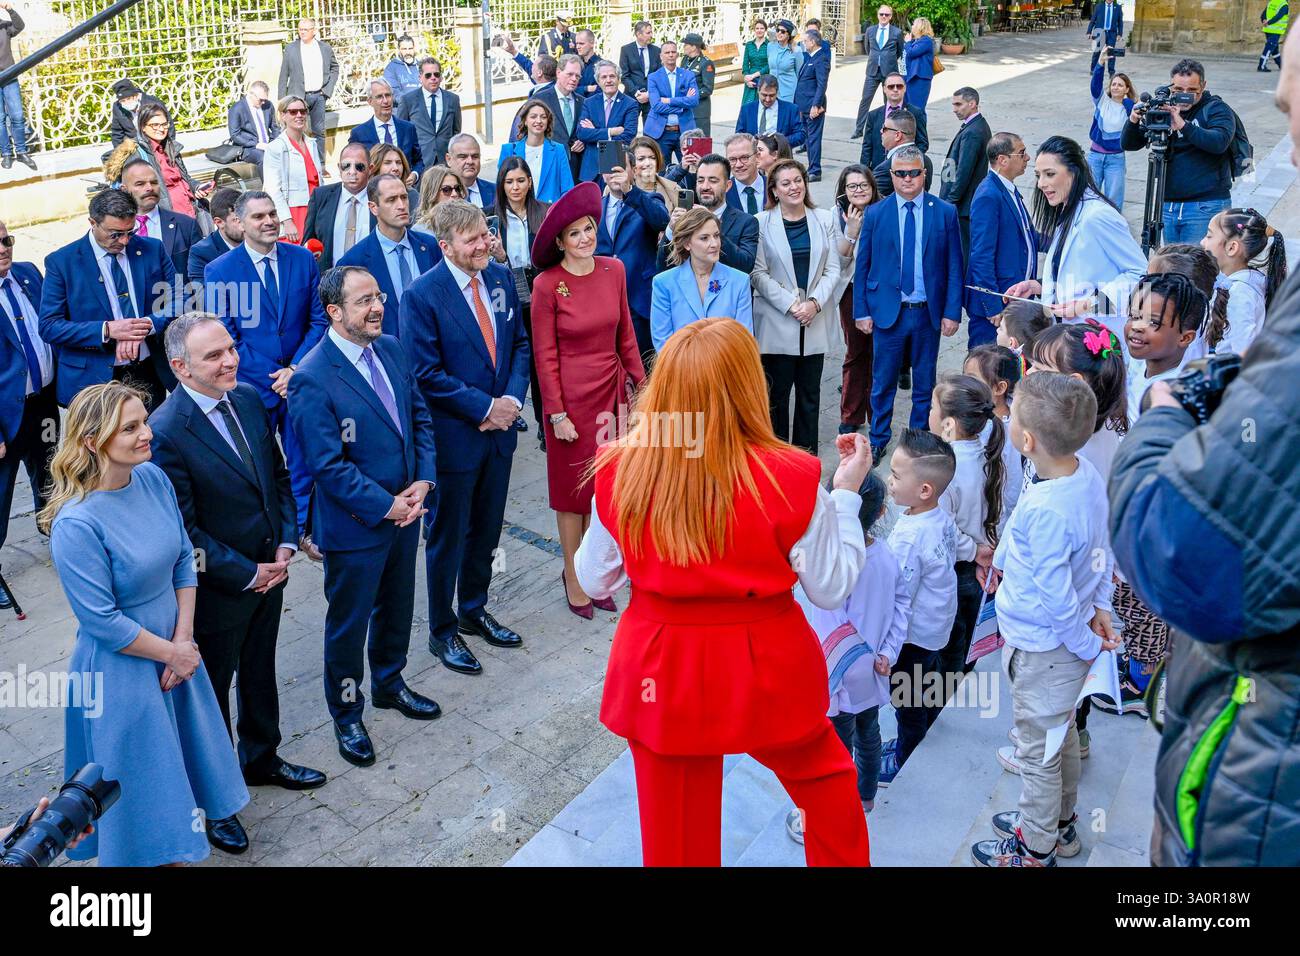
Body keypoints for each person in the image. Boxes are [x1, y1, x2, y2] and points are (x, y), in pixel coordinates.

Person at [575, 317, 875, 867]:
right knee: (829, 790)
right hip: (766, 663)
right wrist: (846, 496)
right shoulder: (792, 474)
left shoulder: (620, 470)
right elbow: (831, 588)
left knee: (676, 838)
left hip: (661, 669)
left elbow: (595, 580)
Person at [1107, 27, 1300, 866]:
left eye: (1296, 112)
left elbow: (1182, 548)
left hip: (1257, 794)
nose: (1288, 138)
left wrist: (1162, 413)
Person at [42, 381, 249, 865]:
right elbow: (102, 622)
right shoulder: (76, 525)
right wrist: (170, 652)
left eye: (144, 421)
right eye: (130, 427)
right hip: (125, 670)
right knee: (143, 787)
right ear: (93, 441)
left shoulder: (153, 478)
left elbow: (183, 557)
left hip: (175, 650)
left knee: (181, 770)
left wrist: (184, 638)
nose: (146, 434)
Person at [149, 313, 327, 843]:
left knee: (259, 672)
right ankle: (215, 798)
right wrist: (246, 572)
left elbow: (277, 475)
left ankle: (261, 758)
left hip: (271, 572)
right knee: (213, 696)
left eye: (231, 348)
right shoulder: (165, 432)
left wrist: (287, 541)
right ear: (179, 367)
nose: (231, 360)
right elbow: (184, 532)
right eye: (214, 355)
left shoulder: (247, 398)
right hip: (218, 591)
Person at [288, 266, 441, 765]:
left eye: (378, 296)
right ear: (334, 312)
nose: (377, 307)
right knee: (348, 625)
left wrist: (424, 480)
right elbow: (327, 467)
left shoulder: (392, 349)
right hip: (356, 528)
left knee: (397, 606)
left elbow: (418, 417)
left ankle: (390, 683)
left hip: (406, 510)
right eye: (363, 301)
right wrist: (386, 505)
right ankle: (348, 715)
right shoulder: (312, 376)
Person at [971, 372, 1119, 867]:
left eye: (1012, 414)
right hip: (1065, 642)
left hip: (1045, 649)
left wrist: (1082, 641)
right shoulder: (1083, 477)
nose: (1007, 417)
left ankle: (1035, 848)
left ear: (1027, 440)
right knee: (1064, 738)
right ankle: (1061, 824)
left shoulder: (1049, 512)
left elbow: (1056, 598)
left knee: (1038, 753)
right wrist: (1099, 607)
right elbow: (1101, 551)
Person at [402, 201, 531, 676]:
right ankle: (443, 631)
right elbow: (425, 373)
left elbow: (520, 344)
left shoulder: (499, 278)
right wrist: (484, 407)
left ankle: (475, 609)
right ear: (446, 245)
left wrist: (512, 402)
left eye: (486, 234)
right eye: (472, 239)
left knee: (487, 530)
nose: (484, 244)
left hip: (499, 435)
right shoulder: (423, 295)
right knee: (447, 537)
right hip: (454, 440)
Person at [529, 183, 645, 615]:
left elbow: (627, 334)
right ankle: (573, 575)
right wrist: (555, 413)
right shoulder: (547, 285)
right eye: (575, 232)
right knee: (571, 494)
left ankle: (597, 570)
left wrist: (642, 384)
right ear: (559, 241)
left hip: (612, 394)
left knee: (606, 488)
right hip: (569, 401)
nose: (585, 238)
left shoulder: (614, 270)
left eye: (590, 229)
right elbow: (544, 356)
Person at [203, 190, 327, 547]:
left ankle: (302, 527)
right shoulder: (221, 270)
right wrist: (275, 374)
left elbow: (318, 322)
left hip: (300, 379)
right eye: (259, 216)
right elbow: (226, 333)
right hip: (254, 386)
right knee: (258, 464)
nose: (270, 221)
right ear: (240, 224)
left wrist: (296, 369)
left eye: (272, 213)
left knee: (303, 456)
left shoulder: (302, 259)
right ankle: (269, 530)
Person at [788, 473, 907, 834]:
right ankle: (866, 797)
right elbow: (902, 604)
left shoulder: (830, 570)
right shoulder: (886, 556)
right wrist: (889, 651)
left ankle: (833, 812)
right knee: (869, 735)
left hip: (836, 680)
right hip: (872, 672)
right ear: (882, 511)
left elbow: (830, 635)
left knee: (835, 748)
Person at [854, 146, 964, 462]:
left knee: (924, 382)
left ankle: (917, 440)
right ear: (891, 175)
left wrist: (951, 311)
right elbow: (863, 265)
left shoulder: (944, 212)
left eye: (914, 172)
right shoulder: (876, 213)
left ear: (924, 174)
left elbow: (955, 266)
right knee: (883, 381)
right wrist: (861, 310)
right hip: (889, 312)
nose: (907, 179)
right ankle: (877, 439)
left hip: (927, 313)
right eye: (900, 173)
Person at [39, 189, 175, 410]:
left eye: (130, 232)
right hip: (96, 381)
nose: (124, 241)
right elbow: (49, 326)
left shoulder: (151, 249)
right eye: (115, 234)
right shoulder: (62, 262)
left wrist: (147, 325)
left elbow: (181, 297)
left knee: (152, 440)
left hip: (149, 371)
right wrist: (108, 330)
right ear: (93, 222)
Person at [879, 428, 957, 780]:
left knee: (907, 700)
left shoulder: (910, 536)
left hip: (913, 635)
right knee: (926, 680)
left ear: (925, 489)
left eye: (896, 475)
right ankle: (921, 726)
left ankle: (905, 754)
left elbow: (899, 594)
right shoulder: (936, 516)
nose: (889, 481)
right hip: (936, 627)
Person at [1006, 136, 1145, 333]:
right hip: (1070, 335)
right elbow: (1078, 274)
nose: (1041, 184)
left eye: (1050, 174)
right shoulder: (1068, 209)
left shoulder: (1098, 216)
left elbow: (1139, 276)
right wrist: (1039, 286)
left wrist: (1086, 305)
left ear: (1073, 172)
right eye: (1038, 175)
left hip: (1096, 336)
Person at [752, 159, 840, 452]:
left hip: (814, 322)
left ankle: (806, 458)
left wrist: (814, 303)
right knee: (776, 401)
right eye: (786, 183)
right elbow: (758, 273)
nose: (794, 187)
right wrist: (793, 305)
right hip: (778, 324)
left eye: (798, 180)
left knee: (809, 398)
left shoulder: (824, 218)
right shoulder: (762, 222)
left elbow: (833, 269)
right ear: (774, 190)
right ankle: (778, 461)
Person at [930, 374, 1005, 698]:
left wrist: (972, 551)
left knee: (946, 646)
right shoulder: (987, 453)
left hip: (958, 569)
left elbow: (944, 528)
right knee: (964, 644)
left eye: (933, 407)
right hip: (979, 569)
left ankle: (934, 709)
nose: (928, 413)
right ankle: (953, 693)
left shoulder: (946, 467)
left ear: (948, 423)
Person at [1120, 58, 1237, 245]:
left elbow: (1219, 142)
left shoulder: (1216, 108)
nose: (1184, 96)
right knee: (1172, 267)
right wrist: (1133, 120)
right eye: (1178, 90)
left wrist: (1182, 125)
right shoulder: (1163, 108)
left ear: (1203, 85)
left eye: (1192, 91)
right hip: (1167, 206)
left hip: (1205, 206)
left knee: (1197, 268)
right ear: (1171, 85)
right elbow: (1129, 144)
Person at [0, 220, 53, 612]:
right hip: (4, 416)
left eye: (6, 239)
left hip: (42, 403)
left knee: (50, 472)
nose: (3, 248)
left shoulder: (27, 274)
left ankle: (52, 531)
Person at [337, 174, 442, 337]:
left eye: (404, 197)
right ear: (373, 207)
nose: (401, 205)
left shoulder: (429, 246)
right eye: (391, 200)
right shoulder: (354, 261)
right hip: (386, 351)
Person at [491, 156, 550, 439]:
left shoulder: (543, 211)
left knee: (541, 359)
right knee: (510, 357)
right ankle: (509, 414)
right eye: (509, 181)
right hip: (507, 289)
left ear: (529, 182)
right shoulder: (492, 216)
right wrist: (500, 258)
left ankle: (544, 421)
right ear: (502, 185)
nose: (515, 187)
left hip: (538, 287)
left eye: (520, 181)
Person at [965, 132, 1038, 348]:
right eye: (1022, 153)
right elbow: (981, 255)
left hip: (1015, 299)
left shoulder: (1008, 190)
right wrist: (992, 306)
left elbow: (1027, 235)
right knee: (985, 367)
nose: (1027, 158)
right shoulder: (989, 195)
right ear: (1002, 160)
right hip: (997, 306)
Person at [596, 156, 669, 361]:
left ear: (633, 170)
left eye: (621, 167)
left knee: (643, 367)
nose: (614, 172)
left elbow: (663, 221)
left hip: (639, 299)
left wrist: (630, 191)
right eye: (608, 168)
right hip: (605, 301)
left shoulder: (648, 199)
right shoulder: (595, 207)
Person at [651, 205, 752, 350]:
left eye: (716, 236)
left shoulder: (740, 281)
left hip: (727, 368)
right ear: (687, 244)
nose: (714, 244)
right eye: (704, 238)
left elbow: (744, 340)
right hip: (680, 369)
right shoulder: (664, 283)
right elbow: (663, 343)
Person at [1200, 207, 1287, 355]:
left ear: (1232, 248)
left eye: (1209, 236)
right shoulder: (1253, 279)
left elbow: (1243, 353)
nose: (1202, 242)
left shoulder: (1239, 294)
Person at [833, 165, 879, 435]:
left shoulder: (884, 211)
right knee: (855, 352)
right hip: (850, 290)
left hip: (880, 291)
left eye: (863, 185)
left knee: (878, 354)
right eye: (852, 186)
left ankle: (876, 413)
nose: (858, 190)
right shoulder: (835, 216)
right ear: (843, 190)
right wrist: (851, 230)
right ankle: (851, 413)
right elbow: (839, 261)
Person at [656, 153, 758, 274]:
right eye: (700, 180)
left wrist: (712, 225)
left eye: (713, 181)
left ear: (727, 185)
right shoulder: (685, 219)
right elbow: (663, 267)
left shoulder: (747, 222)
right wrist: (671, 230)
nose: (705, 187)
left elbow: (745, 266)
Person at [962, 343, 1026, 526]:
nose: (964, 384)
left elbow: (1012, 483)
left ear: (999, 388)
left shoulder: (1010, 428)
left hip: (996, 516)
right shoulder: (978, 414)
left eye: (972, 379)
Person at [118, 158, 203, 285]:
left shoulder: (186, 225)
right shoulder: (114, 231)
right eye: (140, 184)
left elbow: (200, 273)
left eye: (154, 182)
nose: (149, 188)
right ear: (124, 190)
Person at [127, 102, 214, 219]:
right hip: (166, 217)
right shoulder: (137, 154)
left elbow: (184, 179)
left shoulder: (171, 147)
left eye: (164, 124)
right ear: (143, 127)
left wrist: (197, 187)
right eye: (155, 125)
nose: (161, 129)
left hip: (190, 211)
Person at [261, 95, 323, 244]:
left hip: (316, 209)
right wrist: (287, 221)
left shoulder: (312, 143)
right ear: (283, 115)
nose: (299, 115)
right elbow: (273, 189)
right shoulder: (275, 148)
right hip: (294, 212)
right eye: (293, 112)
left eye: (303, 111)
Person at [303, 142, 373, 269]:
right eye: (346, 166)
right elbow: (308, 243)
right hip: (328, 281)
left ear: (370, 169)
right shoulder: (320, 196)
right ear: (339, 168)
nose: (352, 172)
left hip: (371, 280)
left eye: (359, 167)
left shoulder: (379, 197)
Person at [278, 18, 338, 164]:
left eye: (306, 29)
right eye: (300, 29)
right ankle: (299, 163)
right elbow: (283, 74)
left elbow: (334, 68)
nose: (302, 32)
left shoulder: (324, 48)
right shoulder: (291, 49)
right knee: (296, 130)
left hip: (319, 95)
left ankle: (320, 164)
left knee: (319, 131)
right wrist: (281, 99)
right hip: (297, 96)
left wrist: (327, 91)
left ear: (314, 31)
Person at [940, 87, 992, 254]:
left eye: (958, 104)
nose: (954, 109)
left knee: (961, 250)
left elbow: (964, 171)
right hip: (963, 203)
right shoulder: (975, 125)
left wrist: (950, 201)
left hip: (962, 205)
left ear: (972, 104)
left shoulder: (973, 132)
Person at [574, 61, 638, 184]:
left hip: (616, 168)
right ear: (598, 81)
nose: (608, 80)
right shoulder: (589, 102)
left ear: (619, 79)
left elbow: (628, 136)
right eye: (604, 77)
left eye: (612, 76)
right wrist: (610, 132)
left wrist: (594, 132)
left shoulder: (630, 104)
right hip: (590, 170)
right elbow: (581, 133)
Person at [499, 99, 574, 203]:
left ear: (548, 121)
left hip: (549, 213)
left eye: (543, 117)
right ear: (525, 121)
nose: (538, 121)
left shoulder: (558, 150)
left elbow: (567, 189)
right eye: (533, 116)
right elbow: (500, 188)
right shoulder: (508, 150)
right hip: (518, 213)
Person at [395, 57, 461, 174]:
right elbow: (402, 133)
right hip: (420, 164)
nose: (433, 78)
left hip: (446, 162)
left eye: (436, 74)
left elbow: (456, 131)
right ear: (420, 77)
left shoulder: (453, 99)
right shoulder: (407, 100)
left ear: (440, 77)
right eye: (428, 75)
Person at [349, 79, 422, 176]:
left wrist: (414, 174)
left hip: (403, 188)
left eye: (388, 95)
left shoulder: (408, 128)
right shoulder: (359, 134)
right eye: (379, 97)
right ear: (370, 101)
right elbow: (353, 165)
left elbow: (418, 161)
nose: (385, 101)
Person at [1087, 65, 1136, 209]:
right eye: (1113, 84)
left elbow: (1134, 118)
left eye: (1120, 85)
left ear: (1127, 89)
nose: (1115, 87)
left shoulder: (1129, 108)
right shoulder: (1102, 101)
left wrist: (1127, 101)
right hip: (1095, 156)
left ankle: (1113, 226)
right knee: (1090, 194)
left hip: (1116, 159)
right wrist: (1101, 64)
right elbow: (1095, 84)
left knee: (1114, 198)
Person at [644, 41, 698, 166]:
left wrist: (669, 101)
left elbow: (694, 101)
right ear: (661, 56)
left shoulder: (688, 75)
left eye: (673, 52)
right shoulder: (653, 77)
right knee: (661, 172)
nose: (670, 55)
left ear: (677, 55)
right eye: (667, 52)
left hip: (684, 131)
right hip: (661, 132)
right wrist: (682, 106)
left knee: (690, 170)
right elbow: (656, 106)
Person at [860, 74, 930, 170]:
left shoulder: (916, 113)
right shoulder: (873, 115)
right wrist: (864, 171)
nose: (895, 89)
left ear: (905, 88)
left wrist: (910, 161)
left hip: (904, 170)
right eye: (891, 86)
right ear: (884, 89)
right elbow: (867, 146)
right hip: (878, 169)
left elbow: (923, 143)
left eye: (899, 86)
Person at [853, 6, 904, 139]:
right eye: (882, 14)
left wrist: (887, 60)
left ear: (891, 16)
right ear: (878, 15)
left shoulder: (897, 32)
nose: (884, 17)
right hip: (872, 71)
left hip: (889, 72)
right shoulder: (870, 30)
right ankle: (859, 129)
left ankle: (890, 128)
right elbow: (868, 48)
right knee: (865, 99)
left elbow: (899, 51)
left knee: (889, 100)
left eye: (887, 15)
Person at [535, 54, 587, 181]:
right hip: (547, 168)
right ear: (558, 72)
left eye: (577, 76)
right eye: (570, 74)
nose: (574, 79)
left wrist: (583, 141)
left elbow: (587, 131)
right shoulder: (540, 99)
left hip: (575, 171)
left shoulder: (584, 103)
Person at [794, 29, 831, 182]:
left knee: (813, 139)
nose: (803, 43)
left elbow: (822, 84)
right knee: (808, 139)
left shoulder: (820, 59)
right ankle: (811, 167)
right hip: (803, 106)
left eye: (805, 41)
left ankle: (815, 170)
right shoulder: (810, 57)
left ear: (813, 42)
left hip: (812, 107)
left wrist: (816, 105)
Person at [0, 2, 32, 170]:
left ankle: (21, 151)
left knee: (17, 116)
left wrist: (9, 9)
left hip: (9, 76)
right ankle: (6, 154)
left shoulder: (4, 27)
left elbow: (20, 25)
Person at [187, 188, 242, 287]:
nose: (246, 224)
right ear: (219, 222)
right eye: (238, 220)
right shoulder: (201, 253)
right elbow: (206, 296)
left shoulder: (260, 241)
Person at [735, 76, 805, 151]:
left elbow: (800, 135)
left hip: (780, 157)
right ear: (758, 91)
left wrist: (779, 142)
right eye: (764, 95)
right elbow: (739, 135)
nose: (768, 99)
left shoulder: (791, 109)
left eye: (772, 95)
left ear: (777, 92)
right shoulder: (746, 109)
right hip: (754, 157)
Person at [227, 81, 279, 179]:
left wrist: (274, 143)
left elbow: (275, 127)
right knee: (263, 157)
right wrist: (256, 144)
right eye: (261, 99)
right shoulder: (237, 108)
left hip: (268, 144)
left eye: (265, 99)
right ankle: (269, 189)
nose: (263, 102)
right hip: (249, 148)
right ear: (251, 94)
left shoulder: (268, 105)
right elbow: (235, 135)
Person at [618, 20, 661, 122]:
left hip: (651, 98)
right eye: (648, 33)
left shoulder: (656, 51)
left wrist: (649, 94)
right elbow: (624, 76)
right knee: (629, 130)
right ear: (638, 34)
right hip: (632, 97)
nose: (651, 35)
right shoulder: (626, 50)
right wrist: (637, 93)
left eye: (651, 32)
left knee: (650, 132)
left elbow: (659, 75)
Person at [444, 132, 493, 214]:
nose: (470, 161)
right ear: (449, 159)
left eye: (475, 156)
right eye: (463, 157)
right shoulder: (440, 194)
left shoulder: (496, 191)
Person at [679, 33, 716, 136]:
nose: (684, 47)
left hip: (699, 110)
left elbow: (708, 89)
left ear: (694, 47)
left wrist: (692, 96)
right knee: (686, 140)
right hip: (685, 108)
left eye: (686, 45)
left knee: (701, 142)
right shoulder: (685, 59)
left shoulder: (706, 63)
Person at [368, 142, 421, 208]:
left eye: (398, 163)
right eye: (388, 163)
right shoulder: (364, 196)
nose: (395, 168)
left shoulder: (412, 195)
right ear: (374, 167)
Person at [413, 164, 466, 230]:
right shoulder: (420, 230)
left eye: (457, 188)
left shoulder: (470, 220)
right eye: (446, 189)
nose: (454, 194)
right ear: (432, 193)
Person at [902, 17, 936, 113]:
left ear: (919, 27)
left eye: (913, 25)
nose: (912, 27)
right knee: (910, 109)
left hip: (920, 79)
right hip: (911, 78)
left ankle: (920, 128)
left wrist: (907, 42)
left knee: (918, 109)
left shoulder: (926, 41)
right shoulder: (916, 41)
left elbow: (912, 53)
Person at [109, 79, 151, 150]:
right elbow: (117, 133)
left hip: (154, 143)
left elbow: (168, 125)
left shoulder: (151, 103)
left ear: (136, 96)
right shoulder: (117, 107)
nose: (126, 102)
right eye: (123, 101)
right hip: (134, 146)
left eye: (128, 99)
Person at [1087, 0, 1124, 76]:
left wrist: (1119, 34)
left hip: (1112, 33)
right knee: (1097, 51)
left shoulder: (1117, 7)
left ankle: (1111, 72)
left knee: (1111, 52)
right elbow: (1093, 20)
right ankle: (1093, 69)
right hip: (1100, 32)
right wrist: (1089, 31)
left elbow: (1120, 22)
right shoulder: (1099, 6)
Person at [767, 20, 800, 103]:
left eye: (783, 31)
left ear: (789, 34)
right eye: (778, 30)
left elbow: (799, 73)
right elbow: (770, 67)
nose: (779, 33)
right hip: (772, 90)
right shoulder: (770, 46)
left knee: (786, 115)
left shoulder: (796, 50)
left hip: (788, 91)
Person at [383, 34, 422, 101]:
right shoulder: (391, 68)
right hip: (403, 108)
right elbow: (393, 92)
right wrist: (411, 102)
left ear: (414, 48)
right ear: (399, 50)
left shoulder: (421, 66)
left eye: (410, 48)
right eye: (404, 49)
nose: (408, 52)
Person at [741, 20, 769, 106]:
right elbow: (745, 65)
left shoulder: (769, 45)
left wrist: (754, 75)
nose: (759, 30)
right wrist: (746, 79)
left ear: (765, 30)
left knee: (763, 106)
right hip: (750, 80)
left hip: (765, 78)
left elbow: (770, 65)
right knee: (747, 107)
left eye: (762, 28)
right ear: (754, 30)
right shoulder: (749, 45)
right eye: (757, 28)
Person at [1259, 0, 1288, 72]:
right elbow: (1278, 16)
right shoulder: (1284, 4)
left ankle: (1281, 65)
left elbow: (1263, 14)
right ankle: (1261, 66)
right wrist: (1268, 22)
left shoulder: (1271, 2)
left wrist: (1264, 21)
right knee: (1269, 47)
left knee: (1274, 49)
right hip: (1276, 30)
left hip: (1268, 29)